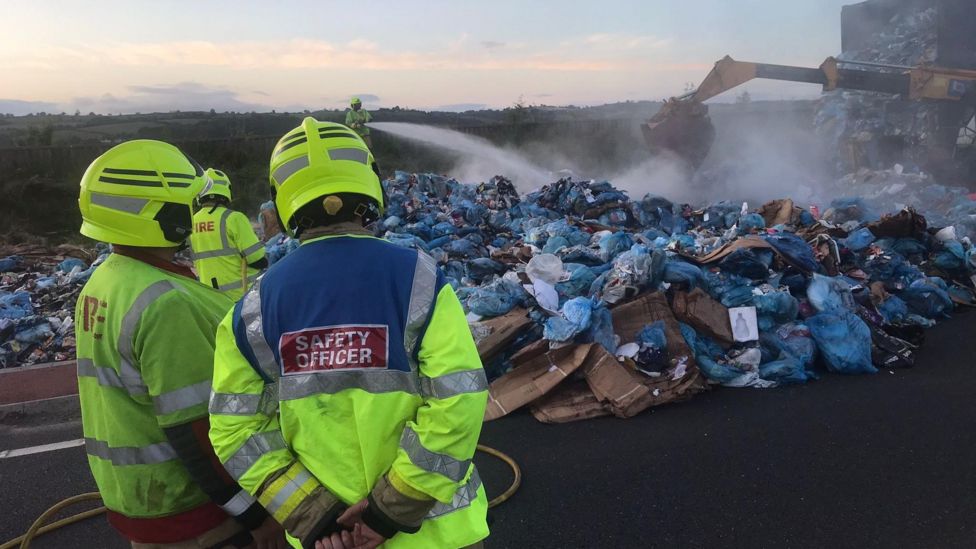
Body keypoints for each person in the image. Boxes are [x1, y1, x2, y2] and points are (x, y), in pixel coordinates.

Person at [208, 118, 489, 549]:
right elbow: (460, 401)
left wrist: (316, 517)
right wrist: (389, 510)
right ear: (370, 183)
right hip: (436, 535)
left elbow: (235, 431)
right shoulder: (419, 279)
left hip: (330, 541)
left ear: (282, 200)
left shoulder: (252, 309)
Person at [75, 140, 285, 548]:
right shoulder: (166, 304)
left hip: (138, 499)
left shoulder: (105, 281)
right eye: (186, 203)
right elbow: (197, 430)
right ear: (163, 215)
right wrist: (254, 515)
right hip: (193, 511)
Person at [190, 168, 268, 301]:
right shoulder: (234, 218)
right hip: (242, 297)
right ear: (226, 190)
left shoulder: (192, 221)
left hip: (211, 298)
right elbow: (258, 260)